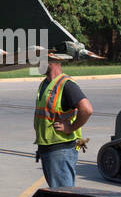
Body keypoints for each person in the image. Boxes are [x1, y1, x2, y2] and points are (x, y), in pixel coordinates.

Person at [34, 54, 93, 188]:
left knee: (63, 195)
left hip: (60, 149)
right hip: (48, 147)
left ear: (50, 62)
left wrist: (71, 128)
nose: (36, 63)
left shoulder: (66, 84)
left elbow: (87, 109)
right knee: (58, 194)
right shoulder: (45, 83)